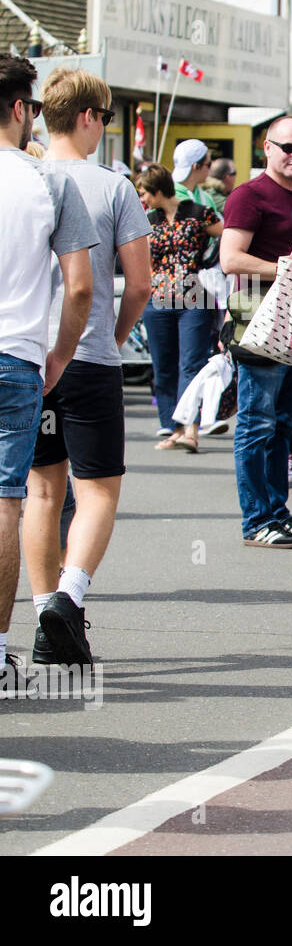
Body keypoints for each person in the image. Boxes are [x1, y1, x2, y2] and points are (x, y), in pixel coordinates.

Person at [21, 67, 152, 666]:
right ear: (90, 117)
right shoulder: (112, 186)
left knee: (42, 492)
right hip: (89, 354)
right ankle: (68, 600)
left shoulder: (24, 178)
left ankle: (44, 608)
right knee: (97, 491)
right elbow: (141, 282)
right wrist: (116, 336)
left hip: (27, 351)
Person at [0, 55, 96, 671]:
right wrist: (58, 357)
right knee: (7, 504)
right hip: (15, 357)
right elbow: (81, 287)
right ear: (19, 109)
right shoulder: (50, 182)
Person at [220, 116, 292, 548]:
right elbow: (231, 259)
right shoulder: (249, 195)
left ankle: (276, 512)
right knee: (257, 425)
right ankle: (256, 519)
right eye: (288, 148)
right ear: (267, 147)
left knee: (281, 426)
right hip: (256, 322)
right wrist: (284, 268)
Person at [135, 164, 223, 452]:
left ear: (158, 190)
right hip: (158, 297)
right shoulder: (149, 219)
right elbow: (144, 260)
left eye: (145, 192)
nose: (142, 197)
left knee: (191, 364)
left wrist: (211, 263)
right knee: (163, 366)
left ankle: (191, 429)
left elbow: (227, 236)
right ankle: (172, 428)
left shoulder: (199, 213)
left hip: (194, 296)